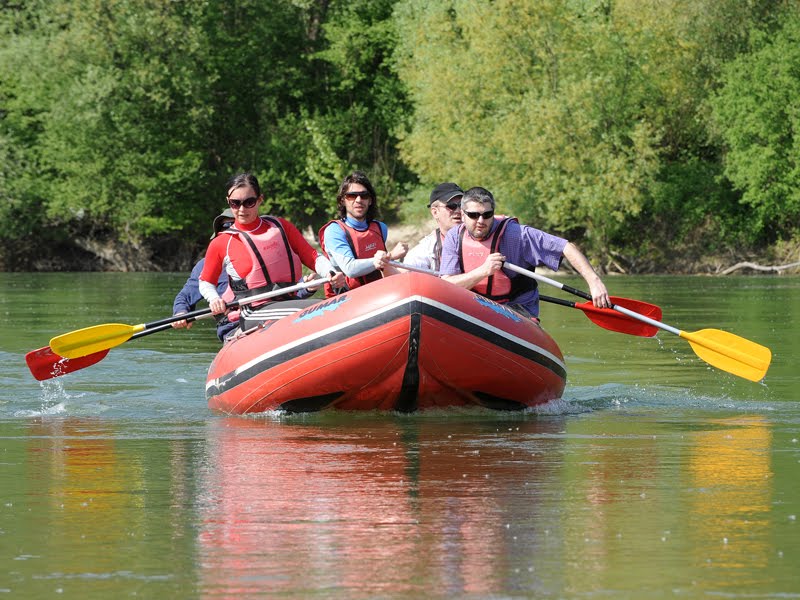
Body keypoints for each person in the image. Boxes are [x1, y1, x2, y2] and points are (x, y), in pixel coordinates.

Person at [199, 173, 345, 332]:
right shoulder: (221, 242)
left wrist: (330, 272)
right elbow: (206, 282)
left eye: (249, 202)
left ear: (260, 200)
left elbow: (313, 257)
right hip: (253, 312)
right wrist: (214, 299)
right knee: (319, 311)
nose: (241, 209)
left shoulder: (281, 226)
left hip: (290, 300)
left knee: (335, 305)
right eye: (235, 203)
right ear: (228, 202)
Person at [439, 186, 610, 319]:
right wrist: (483, 271)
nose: (481, 221)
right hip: (475, 305)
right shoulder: (455, 236)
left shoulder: (517, 235)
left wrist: (594, 282)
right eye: (474, 215)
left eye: (487, 214)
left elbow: (566, 247)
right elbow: (447, 285)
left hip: (516, 309)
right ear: (462, 214)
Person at [318, 171, 408, 297]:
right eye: (352, 196)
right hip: (348, 298)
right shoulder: (334, 231)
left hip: (378, 293)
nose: (359, 200)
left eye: (364, 195)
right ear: (343, 200)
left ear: (370, 200)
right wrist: (390, 256)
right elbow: (350, 269)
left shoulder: (380, 228)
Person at [172, 209, 236, 341]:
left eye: (236, 225)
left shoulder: (262, 254)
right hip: (232, 325)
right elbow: (184, 297)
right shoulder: (205, 265)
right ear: (219, 234)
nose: (232, 230)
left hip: (267, 316)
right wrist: (181, 313)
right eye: (226, 226)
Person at [403, 182, 463, 271]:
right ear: (435, 212)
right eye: (451, 206)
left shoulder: (484, 239)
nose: (458, 210)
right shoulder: (422, 253)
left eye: (462, 205)